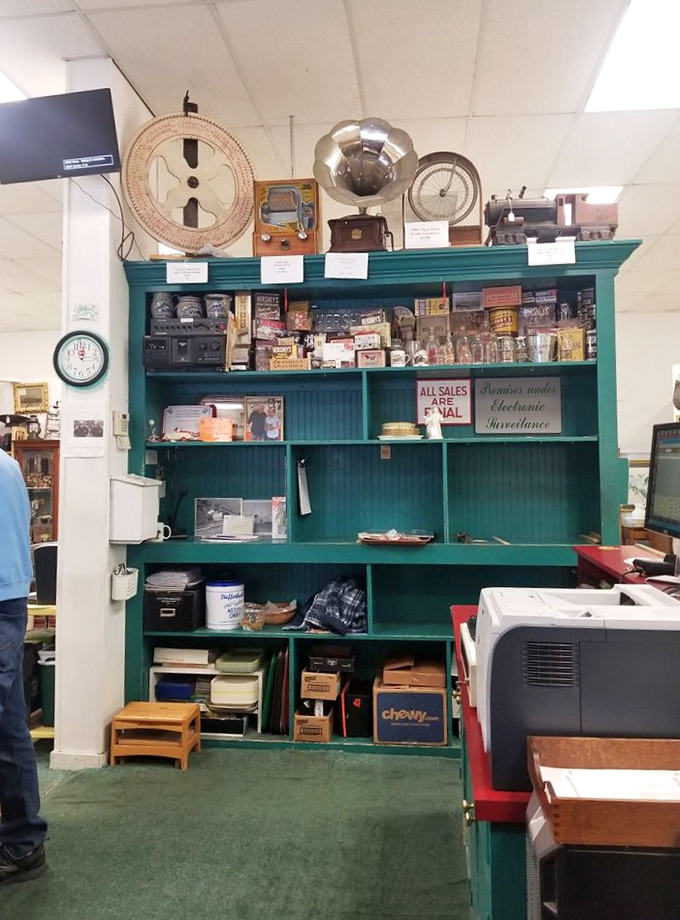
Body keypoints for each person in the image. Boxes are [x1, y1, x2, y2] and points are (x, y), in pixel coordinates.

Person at [0, 448, 48, 884]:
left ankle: (22, 844)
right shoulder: (9, 464)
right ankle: (23, 844)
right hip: (11, 600)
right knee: (11, 729)